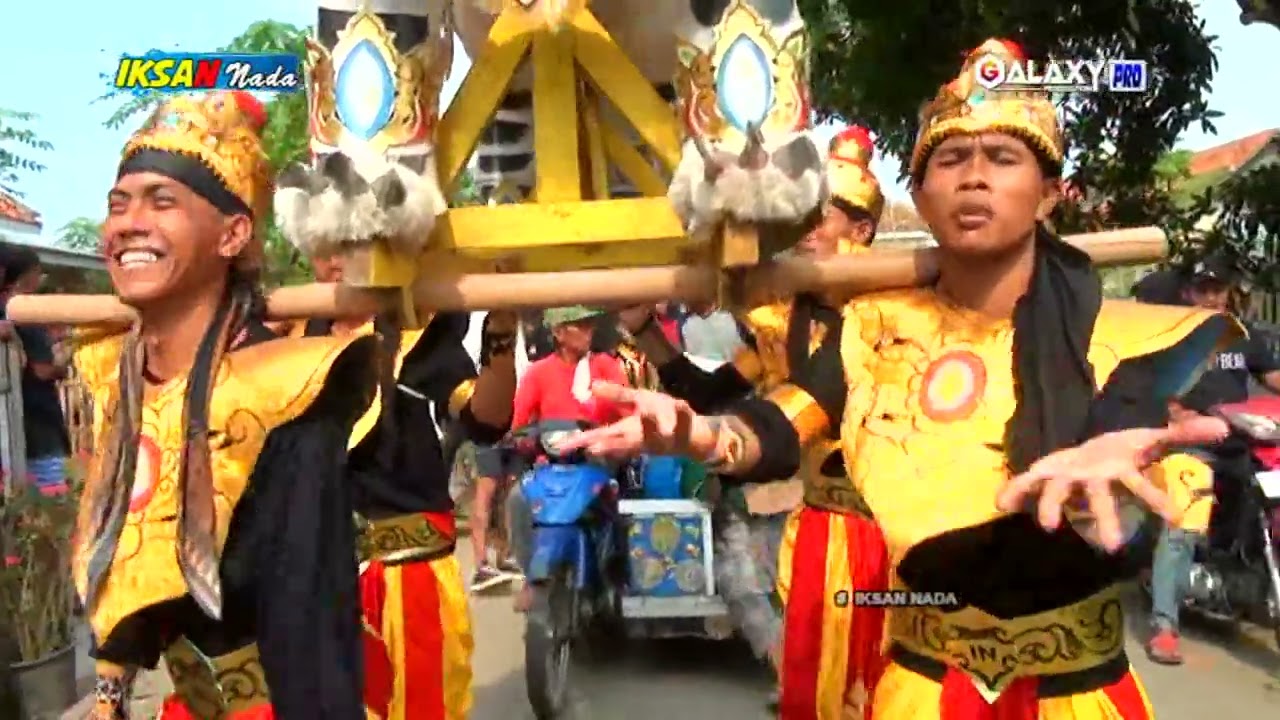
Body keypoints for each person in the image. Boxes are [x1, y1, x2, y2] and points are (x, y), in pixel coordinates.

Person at [560, 38, 1239, 720]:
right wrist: (707, 435)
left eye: (1003, 158)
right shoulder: (874, 325)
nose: (974, 176)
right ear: (922, 191)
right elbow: (786, 418)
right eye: (951, 158)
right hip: (921, 684)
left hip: (1078, 695)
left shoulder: (1121, 339)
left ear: (1050, 195)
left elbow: (1138, 486)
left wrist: (1108, 477)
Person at [72, 90, 375, 720]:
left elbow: (310, 632)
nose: (129, 222)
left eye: (163, 202)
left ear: (233, 233)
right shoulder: (120, 376)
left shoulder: (281, 392)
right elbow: (128, 569)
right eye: (118, 204)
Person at [618, 123, 887, 719]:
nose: (808, 229)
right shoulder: (787, 319)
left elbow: (811, 404)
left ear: (863, 230)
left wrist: (720, 440)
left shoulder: (891, 308)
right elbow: (713, 391)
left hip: (885, 529)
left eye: (829, 216)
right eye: (805, 215)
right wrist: (643, 333)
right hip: (803, 506)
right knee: (766, 607)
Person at [281, 253, 518, 718]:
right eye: (327, 243)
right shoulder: (288, 336)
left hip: (405, 575)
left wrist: (503, 335)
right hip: (311, 571)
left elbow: (484, 417)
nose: (337, 259)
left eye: (353, 243)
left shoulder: (420, 339)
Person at [1146, 253, 1280, 665]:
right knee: (1185, 520)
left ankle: (1246, 575)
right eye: (1202, 289)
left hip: (1244, 444)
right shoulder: (1169, 337)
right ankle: (1164, 627)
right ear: (1187, 292)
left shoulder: (1244, 335)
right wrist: (1180, 416)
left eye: (1217, 289)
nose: (1210, 297)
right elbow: (1152, 391)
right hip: (1190, 445)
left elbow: (1272, 377)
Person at [0, 247, 73, 493]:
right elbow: (42, 370)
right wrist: (65, 364)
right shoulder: (24, 313)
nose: (41, 278)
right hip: (37, 421)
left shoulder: (8, 313)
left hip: (15, 423)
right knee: (49, 497)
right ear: (26, 275)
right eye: (38, 272)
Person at [509, 306, 629, 431]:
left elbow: (630, 416)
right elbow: (518, 427)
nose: (589, 330)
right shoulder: (538, 373)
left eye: (590, 324)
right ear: (558, 332)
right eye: (581, 325)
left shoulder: (606, 366)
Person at [679, 300, 746, 363]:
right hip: (731, 365)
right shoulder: (726, 317)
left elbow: (693, 354)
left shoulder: (687, 327)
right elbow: (738, 346)